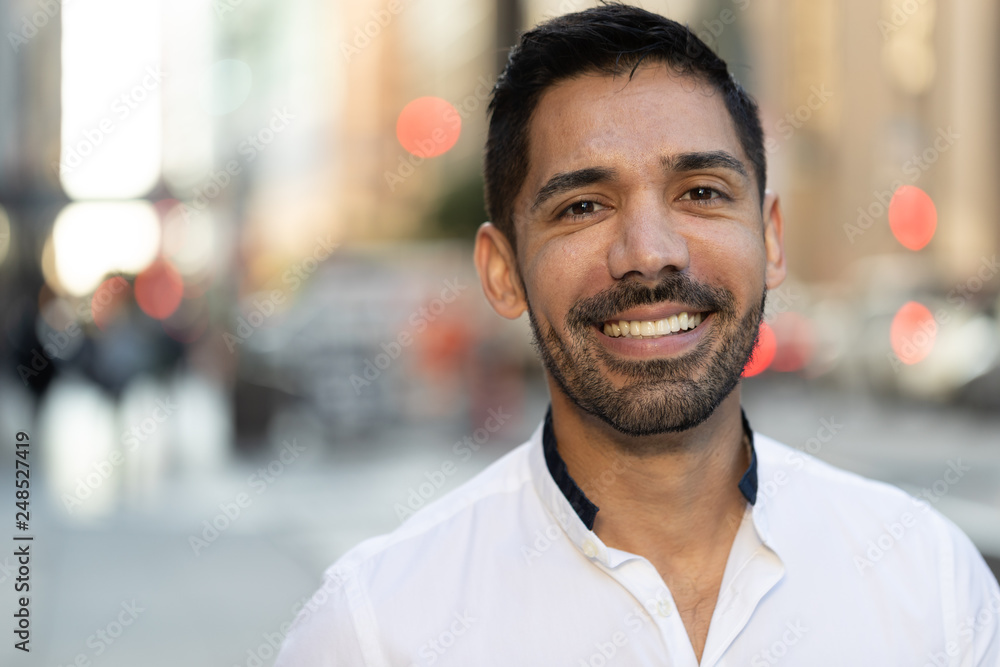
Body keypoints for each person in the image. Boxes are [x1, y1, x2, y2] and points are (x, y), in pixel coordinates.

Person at [276, 4, 1000, 665]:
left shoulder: (930, 584)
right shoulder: (373, 630)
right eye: (583, 206)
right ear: (503, 272)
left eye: (701, 193)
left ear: (770, 238)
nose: (650, 253)